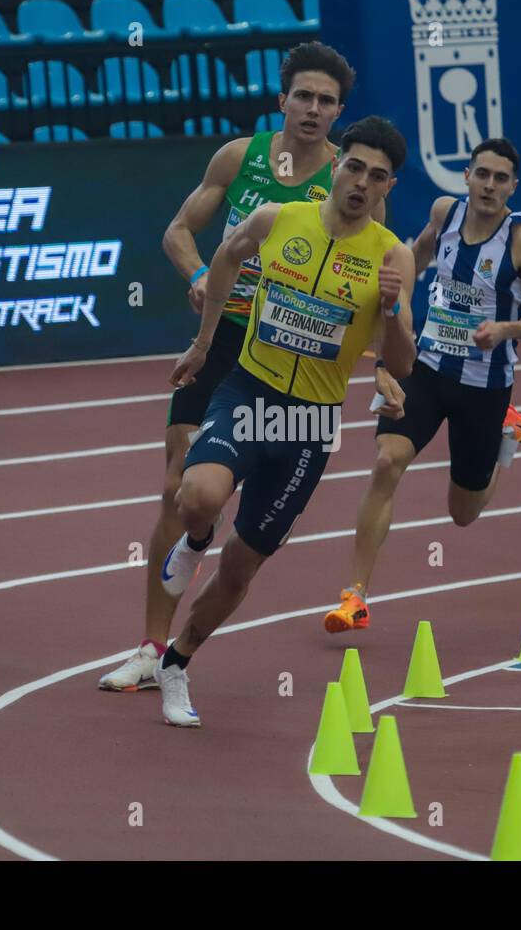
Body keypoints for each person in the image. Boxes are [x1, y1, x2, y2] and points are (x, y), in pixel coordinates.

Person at [98, 42, 368, 692]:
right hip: (222, 341)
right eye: (302, 95)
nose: (312, 108)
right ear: (282, 99)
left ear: (338, 112)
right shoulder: (239, 157)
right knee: (177, 487)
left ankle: (183, 646)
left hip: (284, 360)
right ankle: (148, 645)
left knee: (247, 519)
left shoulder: (349, 179)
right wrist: (198, 275)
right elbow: (176, 231)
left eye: (326, 100)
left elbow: (363, 281)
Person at [152, 116, 417, 726]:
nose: (361, 182)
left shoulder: (392, 255)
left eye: (377, 177)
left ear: (388, 187)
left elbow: (401, 361)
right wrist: (203, 341)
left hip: (310, 426)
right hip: (249, 391)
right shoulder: (280, 218)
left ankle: (177, 663)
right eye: (353, 167)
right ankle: (195, 541)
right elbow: (224, 256)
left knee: (242, 566)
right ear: (337, 167)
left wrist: (395, 307)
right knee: (197, 494)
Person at [322, 137, 521, 633]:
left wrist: (507, 330)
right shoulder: (444, 213)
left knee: (463, 513)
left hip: (484, 386)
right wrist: (394, 322)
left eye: (500, 178)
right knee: (387, 462)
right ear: (467, 175)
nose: (489, 185)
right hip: (425, 370)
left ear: (513, 186)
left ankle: (506, 438)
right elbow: (413, 261)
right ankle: (355, 596)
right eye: (482, 174)